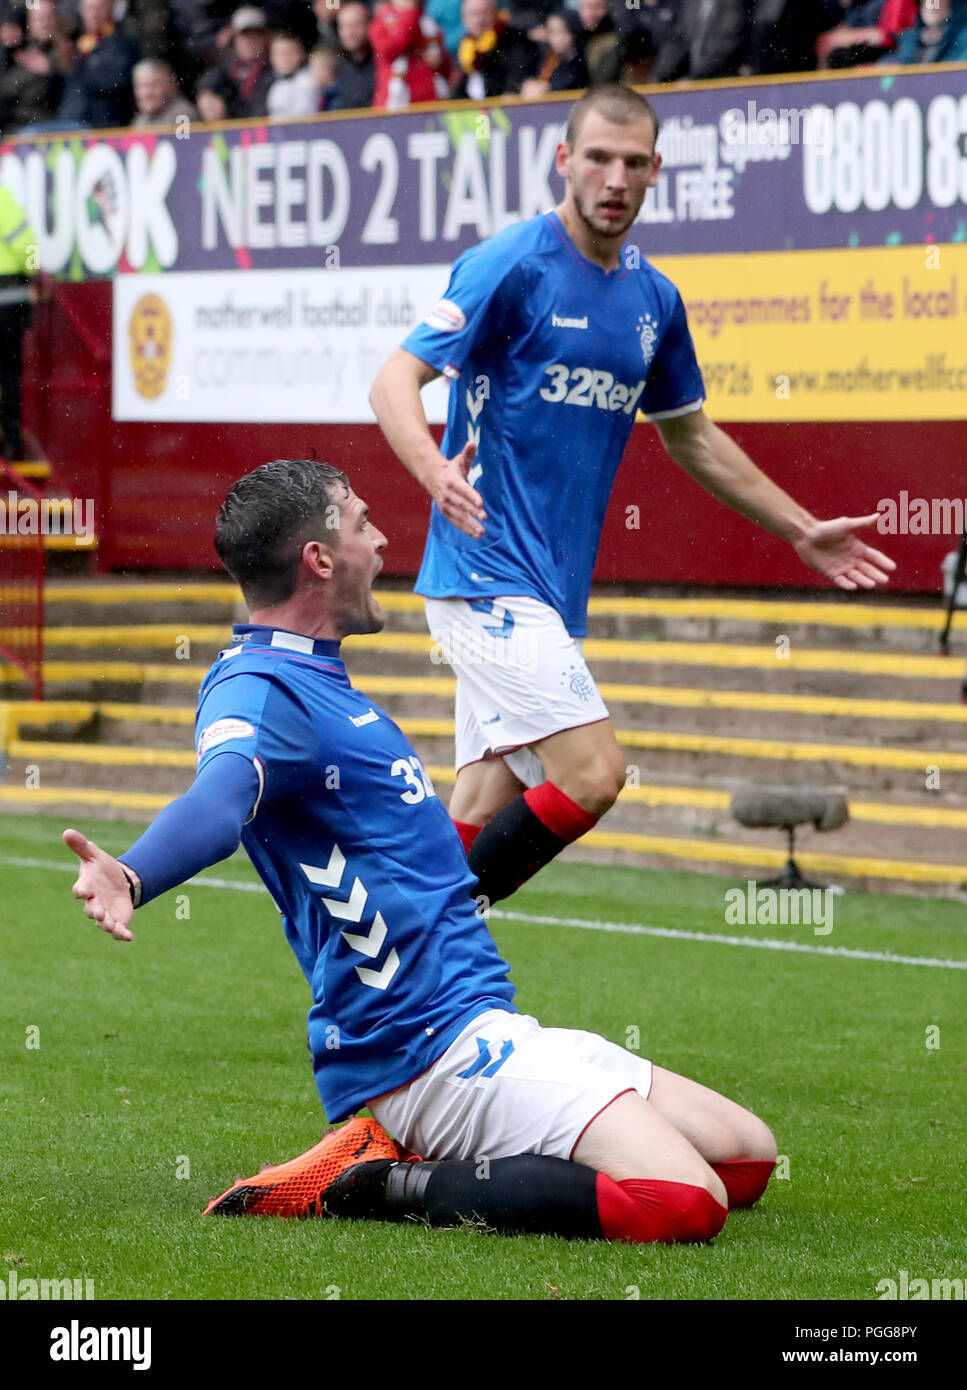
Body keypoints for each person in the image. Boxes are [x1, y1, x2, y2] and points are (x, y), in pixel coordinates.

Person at [64, 458, 776, 1242]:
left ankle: (455, 1144)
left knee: (747, 1162)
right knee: (683, 1203)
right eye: (363, 522)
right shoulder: (260, 689)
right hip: (425, 1053)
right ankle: (370, 1180)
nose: (383, 538)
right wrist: (133, 871)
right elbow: (220, 796)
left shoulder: (324, 684)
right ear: (320, 559)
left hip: (484, 1022)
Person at [368, 85, 895, 912]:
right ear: (563, 161)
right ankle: (422, 957)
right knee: (593, 773)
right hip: (483, 576)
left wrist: (800, 529)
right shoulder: (510, 264)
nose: (614, 177)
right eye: (598, 158)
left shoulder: (653, 299)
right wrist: (433, 474)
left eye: (633, 162)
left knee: (477, 807)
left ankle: (387, 956)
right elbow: (395, 378)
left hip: (548, 592)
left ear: (655, 170)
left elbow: (690, 434)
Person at [0, 181, 36, 463]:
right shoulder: (3, 198)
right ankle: (11, 441)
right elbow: (26, 246)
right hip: (9, 298)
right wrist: (31, 270)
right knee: (10, 373)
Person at [130, 57, 197, 125]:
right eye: (142, 86)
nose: (148, 93)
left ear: (171, 86)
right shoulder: (139, 121)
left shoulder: (182, 116)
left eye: (154, 84)